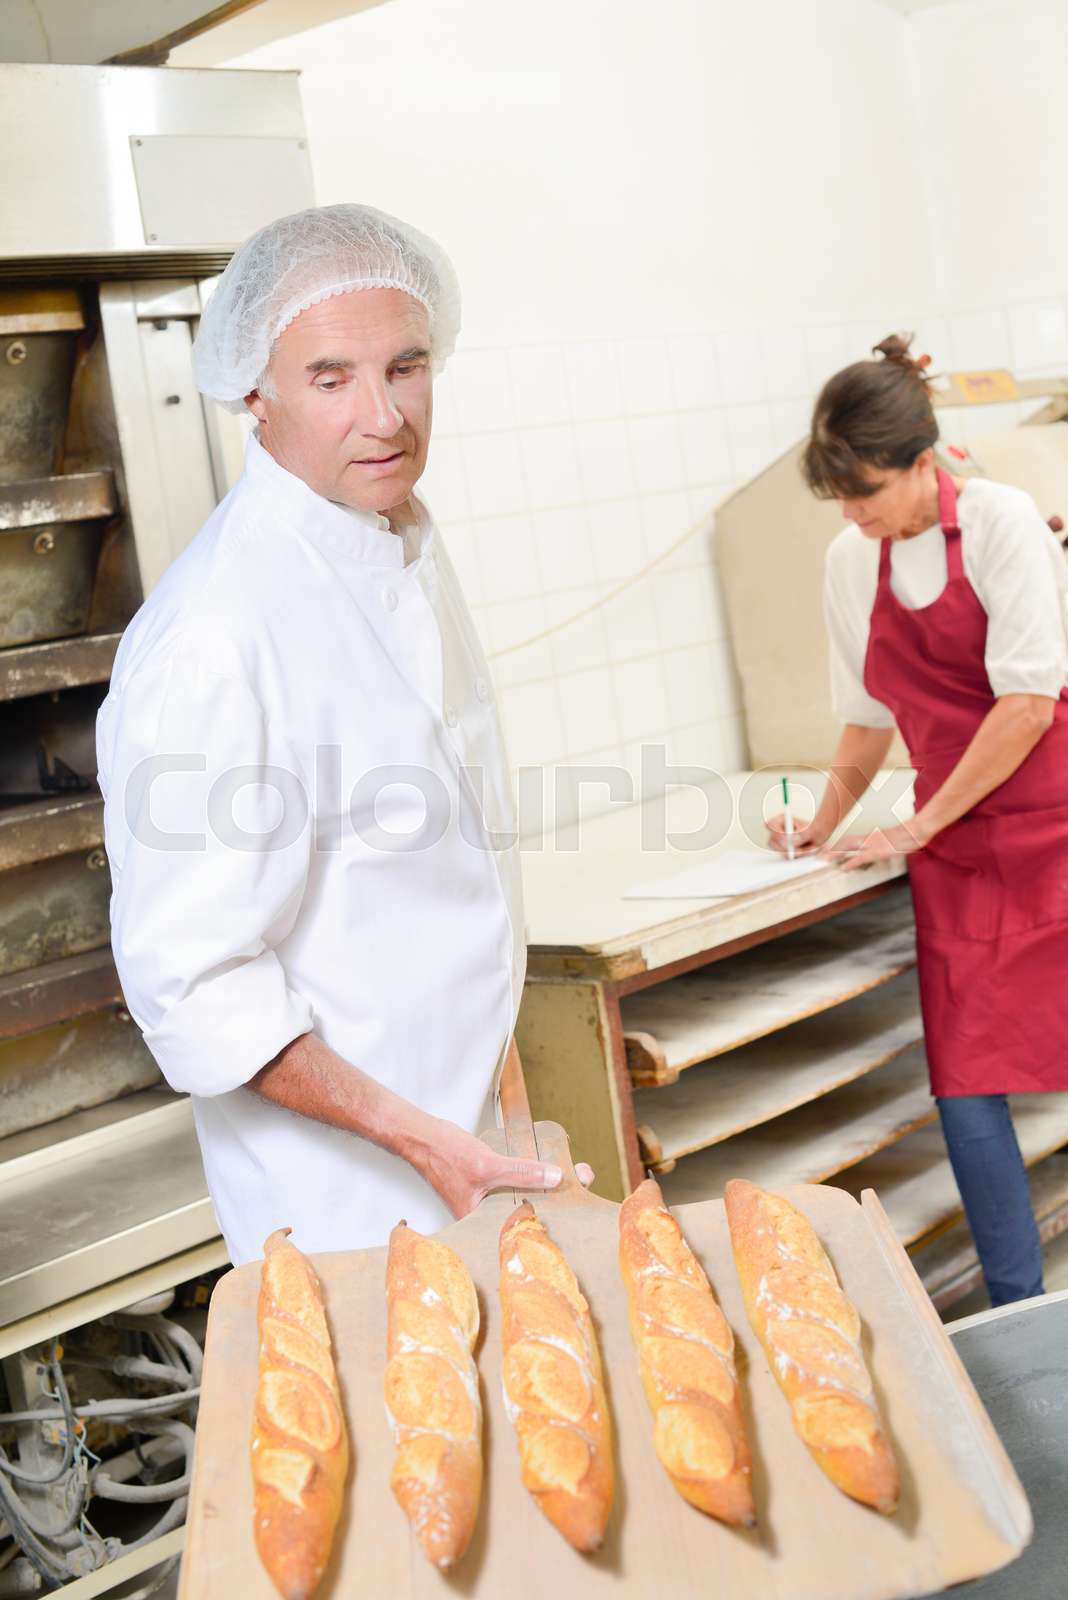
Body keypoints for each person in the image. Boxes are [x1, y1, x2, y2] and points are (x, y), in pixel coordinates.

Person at [96, 203, 586, 1266]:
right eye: (331, 379)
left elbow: (432, 885)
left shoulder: (389, 540)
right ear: (253, 392)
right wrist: (427, 1142)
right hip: (345, 1208)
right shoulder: (215, 634)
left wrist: (497, 1112)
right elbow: (195, 985)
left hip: (468, 1155)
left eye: (406, 367)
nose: (385, 416)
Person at [768, 333, 1068, 1306]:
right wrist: (823, 820)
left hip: (1051, 815)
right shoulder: (849, 561)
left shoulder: (1000, 522)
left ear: (921, 460)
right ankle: (1019, 1310)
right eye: (838, 496)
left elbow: (1027, 706)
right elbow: (865, 719)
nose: (853, 514)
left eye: (866, 491)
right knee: (967, 1079)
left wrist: (915, 825)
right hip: (956, 839)